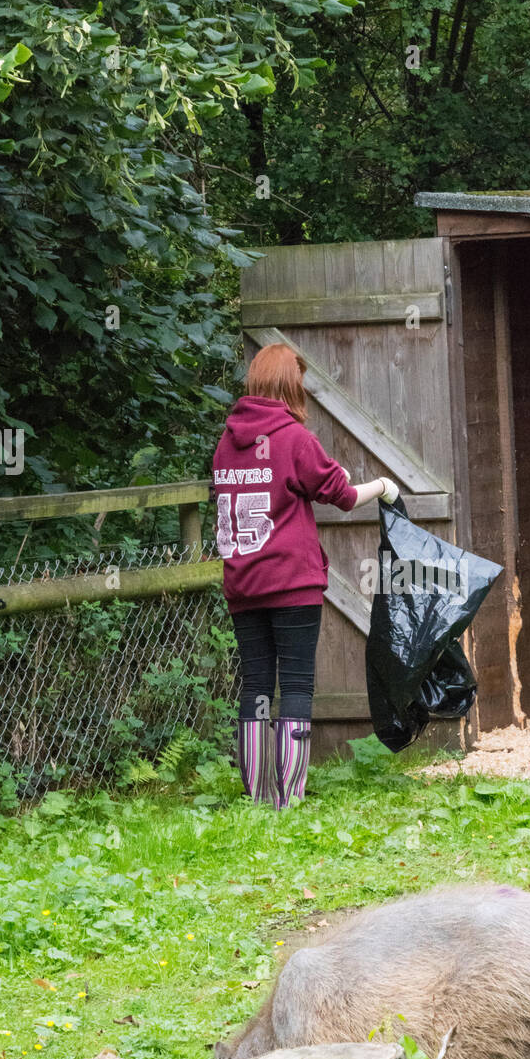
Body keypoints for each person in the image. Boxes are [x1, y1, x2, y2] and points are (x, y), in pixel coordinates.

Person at [212, 343, 398, 808]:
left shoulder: (226, 442)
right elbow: (342, 495)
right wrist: (383, 486)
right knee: (295, 685)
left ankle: (258, 797)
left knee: (256, 684)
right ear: (290, 386)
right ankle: (288, 797)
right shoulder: (293, 438)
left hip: (243, 583)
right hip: (292, 584)